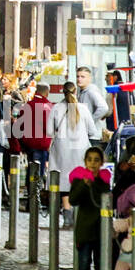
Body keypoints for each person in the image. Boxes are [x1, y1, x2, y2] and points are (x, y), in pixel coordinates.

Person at [48, 81, 99, 227]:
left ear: (62, 93)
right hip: (81, 150)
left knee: (64, 182)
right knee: (80, 181)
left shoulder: (56, 108)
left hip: (61, 150)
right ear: (75, 91)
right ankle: (80, 215)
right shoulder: (83, 108)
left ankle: (67, 214)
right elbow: (93, 131)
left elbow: (50, 131)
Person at [68, 146, 111, 270]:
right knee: (84, 265)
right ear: (85, 162)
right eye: (90, 160)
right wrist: (84, 185)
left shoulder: (104, 181)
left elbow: (105, 200)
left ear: (101, 163)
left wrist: (95, 184)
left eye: (96, 160)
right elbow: (73, 200)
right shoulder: (79, 179)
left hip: (100, 231)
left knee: (101, 266)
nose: (93, 163)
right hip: (85, 231)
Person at [11, 79, 53, 173]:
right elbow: (49, 127)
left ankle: (29, 186)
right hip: (42, 144)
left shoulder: (27, 105)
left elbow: (20, 125)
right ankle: (35, 186)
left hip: (28, 143)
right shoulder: (48, 106)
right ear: (47, 93)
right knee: (38, 171)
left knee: (31, 168)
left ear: (36, 91)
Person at [75, 67, 111, 135]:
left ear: (89, 79)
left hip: (94, 136)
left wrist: (89, 122)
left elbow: (104, 108)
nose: (79, 79)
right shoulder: (82, 91)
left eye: (83, 77)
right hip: (87, 134)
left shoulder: (91, 91)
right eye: (78, 76)